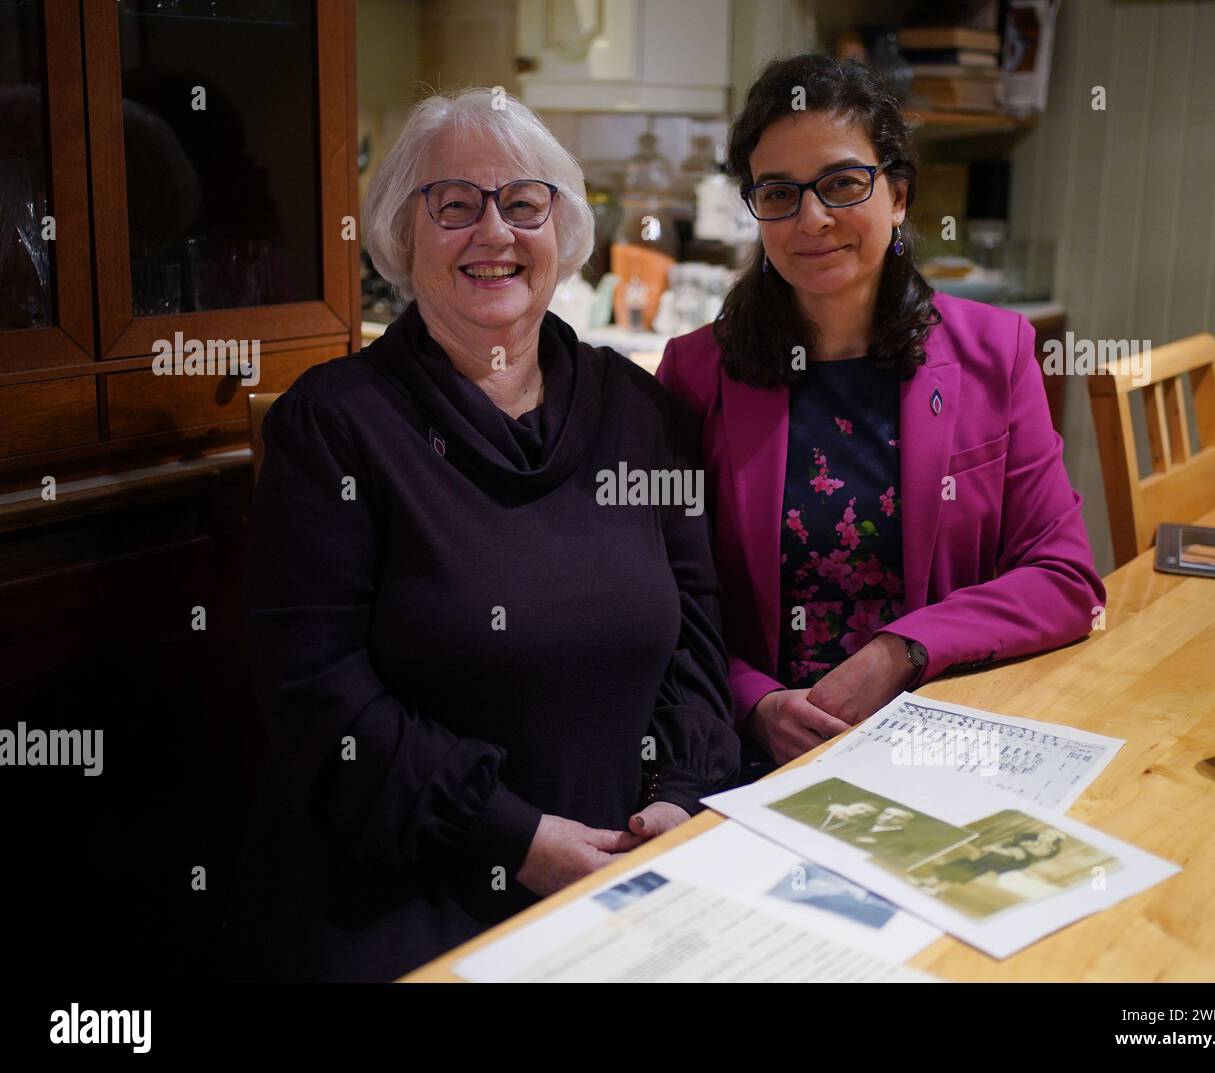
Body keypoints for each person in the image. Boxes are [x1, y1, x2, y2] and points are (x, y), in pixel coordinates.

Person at [225, 88, 739, 981]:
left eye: (523, 202)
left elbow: (697, 630)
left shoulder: (642, 412)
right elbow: (319, 697)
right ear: (400, 236)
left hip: (631, 861)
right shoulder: (333, 427)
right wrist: (515, 835)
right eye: (455, 205)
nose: (494, 232)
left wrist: (682, 793)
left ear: (564, 229)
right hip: (404, 881)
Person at [657, 55, 1106, 766]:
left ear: (897, 194)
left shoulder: (997, 351)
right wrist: (755, 703)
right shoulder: (696, 371)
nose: (812, 218)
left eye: (841, 183)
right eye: (779, 193)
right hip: (765, 758)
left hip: (948, 734)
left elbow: (1066, 579)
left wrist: (903, 651)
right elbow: (668, 602)